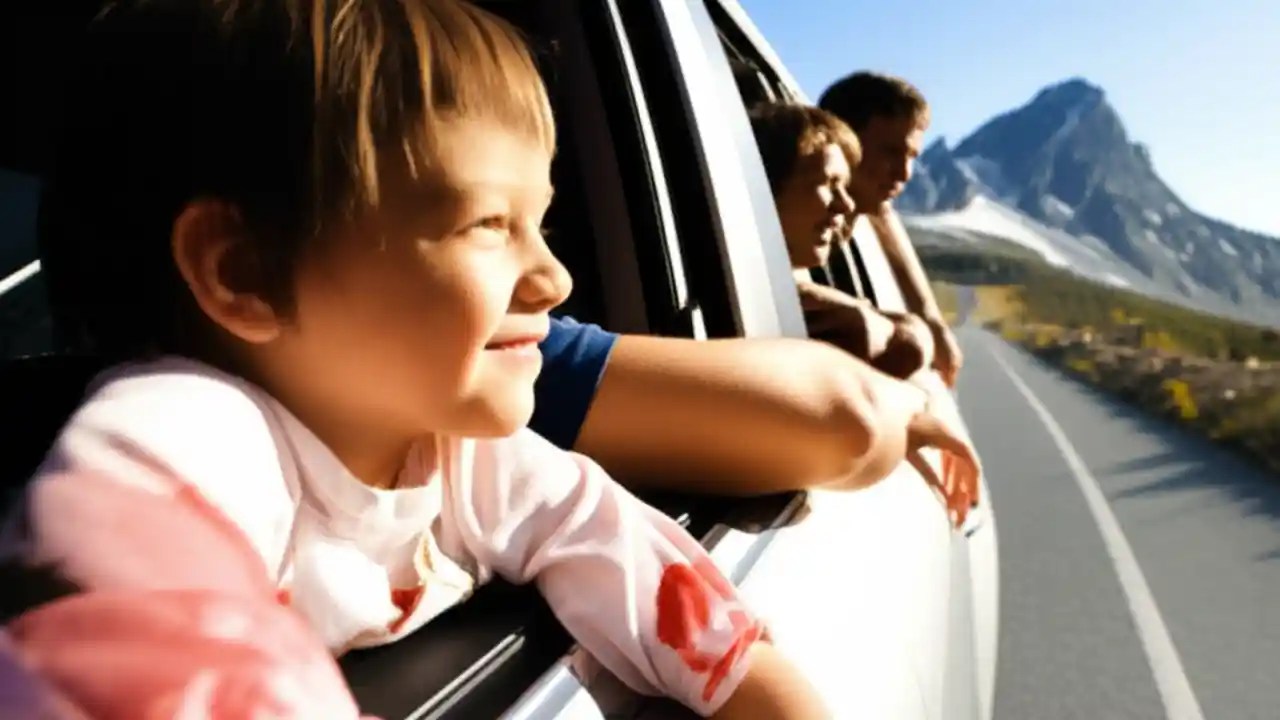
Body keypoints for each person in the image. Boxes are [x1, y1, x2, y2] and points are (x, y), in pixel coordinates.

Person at [6, 1, 830, 717]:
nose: (555, 277)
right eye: (487, 225)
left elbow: (625, 560)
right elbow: (112, 610)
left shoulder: (466, 460)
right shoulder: (192, 427)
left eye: (540, 222)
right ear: (245, 274)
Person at [747, 102, 938, 383]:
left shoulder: (792, 287)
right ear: (763, 186)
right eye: (828, 183)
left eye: (844, 186)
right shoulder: (786, 308)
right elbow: (907, 349)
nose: (846, 204)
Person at [819, 72, 965, 387]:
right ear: (842, 143)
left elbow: (884, 214)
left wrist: (932, 320)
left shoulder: (866, 213)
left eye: (912, 156)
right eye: (890, 152)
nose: (905, 172)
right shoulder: (795, 230)